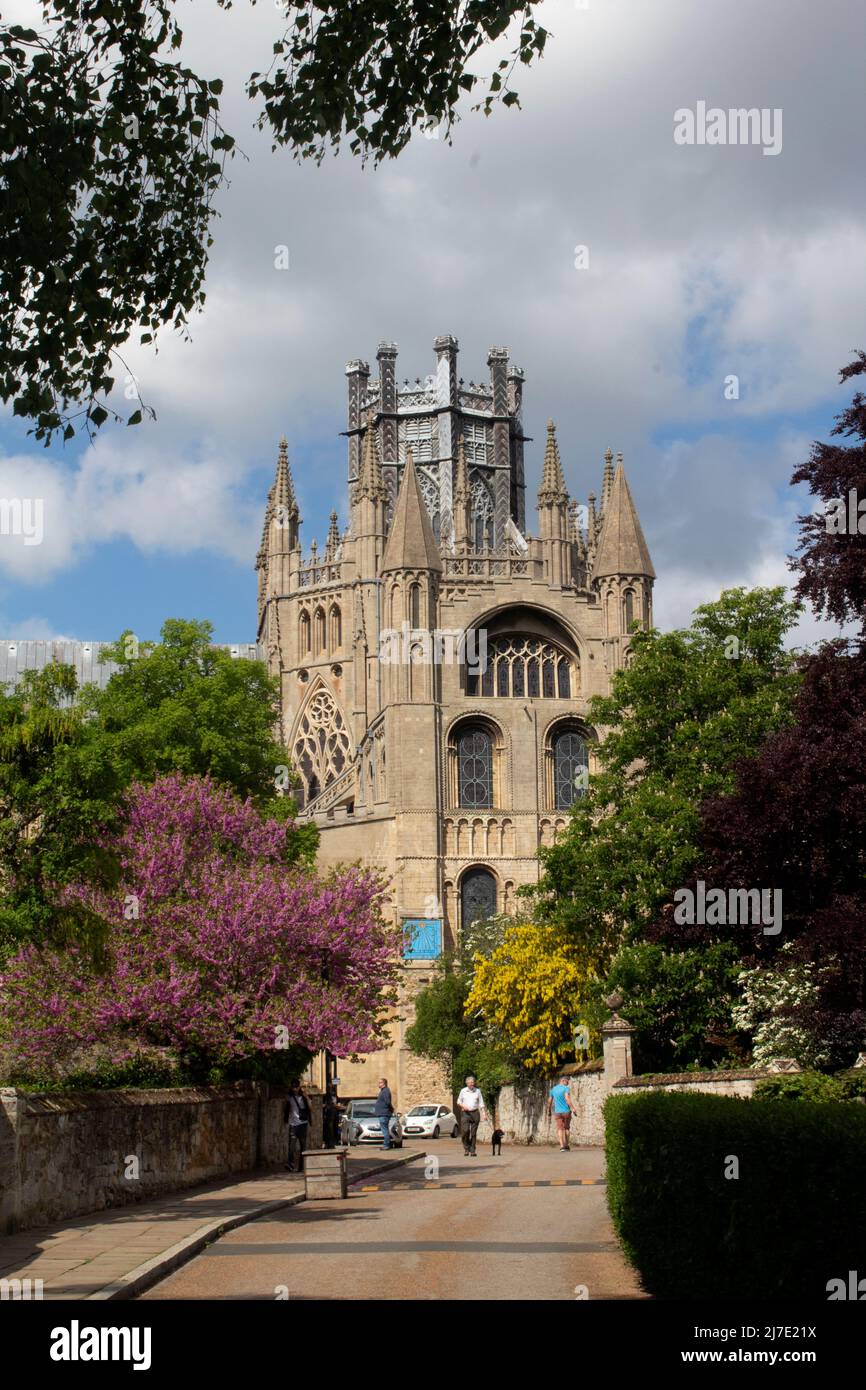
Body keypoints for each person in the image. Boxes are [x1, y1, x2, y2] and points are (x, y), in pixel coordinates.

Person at [284, 1080, 312, 1171]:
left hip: (303, 1124)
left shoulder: (303, 1097)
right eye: (293, 1087)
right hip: (293, 1125)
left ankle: (301, 1167)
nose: (295, 1089)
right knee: (291, 1146)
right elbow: (286, 1108)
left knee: (302, 1147)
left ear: (299, 1087)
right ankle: (290, 1164)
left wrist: (307, 1098)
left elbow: (310, 1108)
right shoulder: (289, 1097)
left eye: (296, 1087)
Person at [456, 1076, 486, 1156]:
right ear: (467, 1083)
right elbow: (458, 1101)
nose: (471, 1084)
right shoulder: (463, 1091)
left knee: (473, 1133)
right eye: (470, 1083)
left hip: (475, 1113)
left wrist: (484, 1114)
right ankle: (466, 1148)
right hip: (465, 1113)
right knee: (465, 1131)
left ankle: (472, 1150)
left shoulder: (477, 1091)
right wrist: (463, 1106)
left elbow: (481, 1103)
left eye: (472, 1082)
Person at [547, 1074, 578, 1152]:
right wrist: (573, 1108)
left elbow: (549, 1101)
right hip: (566, 1111)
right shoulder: (566, 1088)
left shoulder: (553, 1089)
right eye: (567, 1082)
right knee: (566, 1128)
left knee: (560, 1129)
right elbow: (567, 1099)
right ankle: (566, 1145)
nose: (568, 1083)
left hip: (557, 1112)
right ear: (563, 1081)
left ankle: (562, 1146)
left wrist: (549, 1111)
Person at [374, 1076, 394, 1149]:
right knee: (385, 1129)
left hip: (384, 1113)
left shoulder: (385, 1091)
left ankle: (386, 1145)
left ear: (384, 1083)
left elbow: (387, 1102)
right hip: (383, 1113)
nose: (378, 1084)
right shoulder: (383, 1091)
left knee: (384, 1130)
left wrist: (390, 1109)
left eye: (380, 1083)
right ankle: (387, 1143)